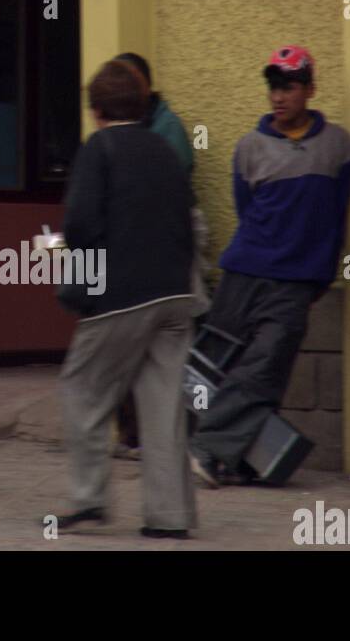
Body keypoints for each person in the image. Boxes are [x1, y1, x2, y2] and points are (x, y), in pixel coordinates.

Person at [188, 46, 350, 487]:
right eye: (273, 88)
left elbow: (338, 213)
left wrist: (321, 271)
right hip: (244, 272)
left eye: (289, 87)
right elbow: (247, 211)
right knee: (216, 365)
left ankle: (207, 448)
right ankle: (241, 458)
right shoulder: (250, 146)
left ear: (310, 90)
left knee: (264, 366)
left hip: (296, 281)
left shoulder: (338, 146)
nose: (279, 97)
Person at [52, 60, 197, 539]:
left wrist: (80, 279)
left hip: (122, 294)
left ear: (96, 112)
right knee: (162, 407)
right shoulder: (165, 149)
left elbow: (81, 223)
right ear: (142, 104)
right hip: (177, 294)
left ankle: (89, 498)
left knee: (83, 388)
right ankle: (169, 517)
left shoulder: (101, 148)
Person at [109, 52, 208, 462]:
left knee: (162, 357)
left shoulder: (167, 129)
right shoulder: (122, 128)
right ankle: (133, 435)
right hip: (129, 256)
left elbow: (166, 194)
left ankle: (164, 438)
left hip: (162, 257)